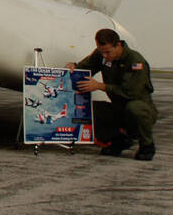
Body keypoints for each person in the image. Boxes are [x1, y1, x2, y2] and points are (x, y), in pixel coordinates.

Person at [67, 28, 158, 161]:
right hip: (118, 107)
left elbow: (131, 92)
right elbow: (85, 68)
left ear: (118, 45)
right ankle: (118, 140)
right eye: (101, 51)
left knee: (135, 108)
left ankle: (147, 145)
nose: (104, 56)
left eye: (108, 52)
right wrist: (73, 67)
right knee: (89, 110)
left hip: (139, 108)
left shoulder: (135, 62)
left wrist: (99, 86)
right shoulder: (102, 54)